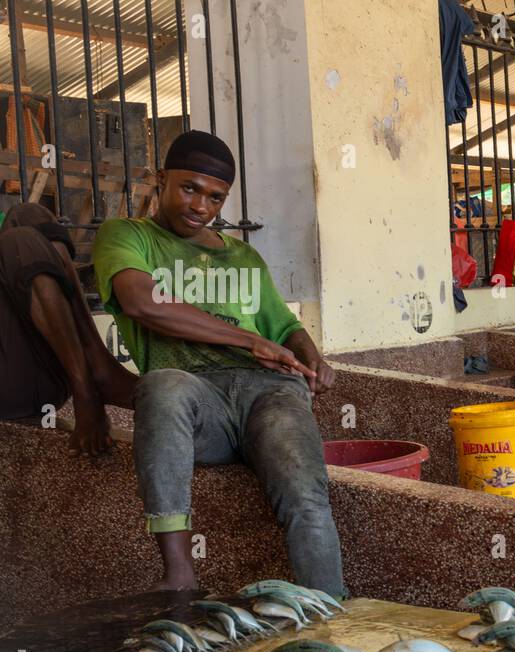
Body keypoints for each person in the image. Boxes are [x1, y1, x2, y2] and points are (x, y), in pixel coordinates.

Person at [93, 130, 345, 596]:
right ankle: (180, 574)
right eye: (189, 188)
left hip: (268, 394)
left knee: (305, 496)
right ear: (161, 179)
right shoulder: (129, 236)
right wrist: (249, 339)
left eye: (215, 197)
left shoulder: (244, 257)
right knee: (163, 384)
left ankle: (330, 615)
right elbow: (142, 302)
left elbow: (283, 326)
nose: (200, 207)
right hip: (196, 405)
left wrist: (313, 357)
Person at [1, 203, 137, 455]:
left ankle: (96, 366)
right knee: (20, 240)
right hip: (14, 392)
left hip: (32, 379)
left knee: (28, 214)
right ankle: (89, 380)